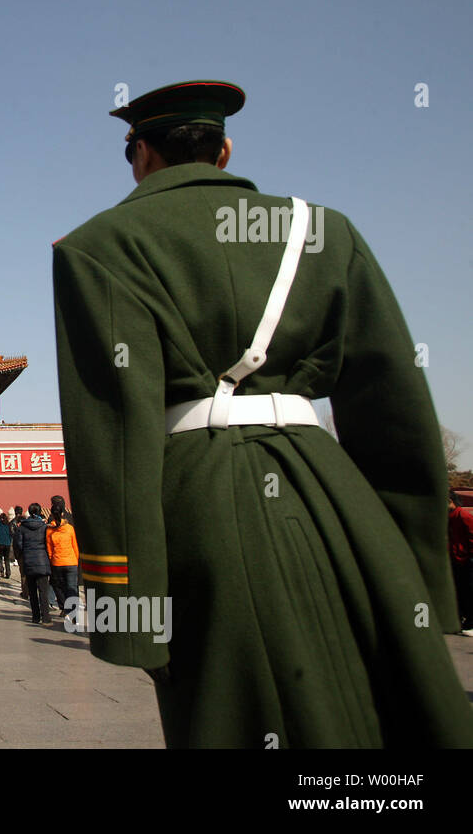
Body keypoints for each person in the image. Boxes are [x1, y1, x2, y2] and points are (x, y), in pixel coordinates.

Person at [53, 79, 473, 747]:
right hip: (341, 505)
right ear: (224, 150)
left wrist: (130, 615)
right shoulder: (326, 232)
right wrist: (414, 578)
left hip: (205, 511)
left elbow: (118, 440)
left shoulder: (99, 246)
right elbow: (397, 410)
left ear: (142, 155)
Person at [15, 503, 51, 624]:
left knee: (32, 592)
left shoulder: (22, 528)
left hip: (28, 562)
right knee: (43, 591)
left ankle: (35, 616)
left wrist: (24, 554)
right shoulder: (44, 527)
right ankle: (46, 617)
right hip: (42, 561)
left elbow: (19, 545)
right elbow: (48, 543)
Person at [46, 497, 79, 618]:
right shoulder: (70, 527)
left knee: (58, 586)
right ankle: (73, 611)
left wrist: (51, 559)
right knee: (72, 587)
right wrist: (75, 559)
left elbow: (49, 548)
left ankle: (65, 607)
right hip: (71, 562)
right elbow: (75, 545)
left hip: (57, 562)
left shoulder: (50, 529)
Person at [448, 492, 473, 636]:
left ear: (450, 501)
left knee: (469, 592)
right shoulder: (450, 517)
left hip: (467, 560)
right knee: (460, 592)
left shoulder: (463, 515)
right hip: (457, 560)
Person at [0, 509, 12, 581]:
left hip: (0, 543)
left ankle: (1, 570)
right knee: (7, 559)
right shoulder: (8, 525)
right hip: (7, 543)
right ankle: (8, 572)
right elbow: (11, 534)